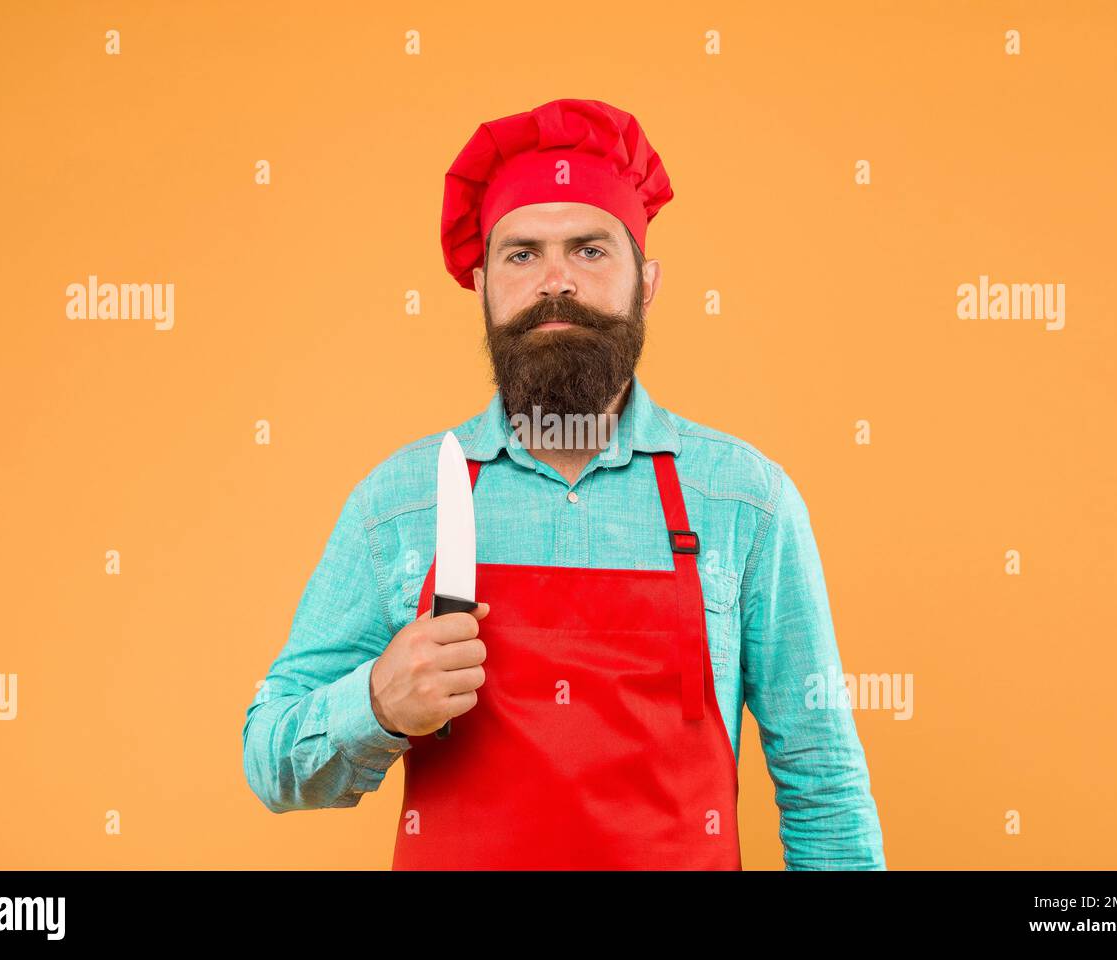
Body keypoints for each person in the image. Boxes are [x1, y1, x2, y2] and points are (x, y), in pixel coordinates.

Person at [243, 98, 886, 870]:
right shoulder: (403, 505)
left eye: (589, 251)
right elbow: (269, 759)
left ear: (645, 282)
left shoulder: (745, 500)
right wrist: (376, 704)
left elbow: (824, 786)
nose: (557, 284)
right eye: (522, 255)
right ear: (480, 284)